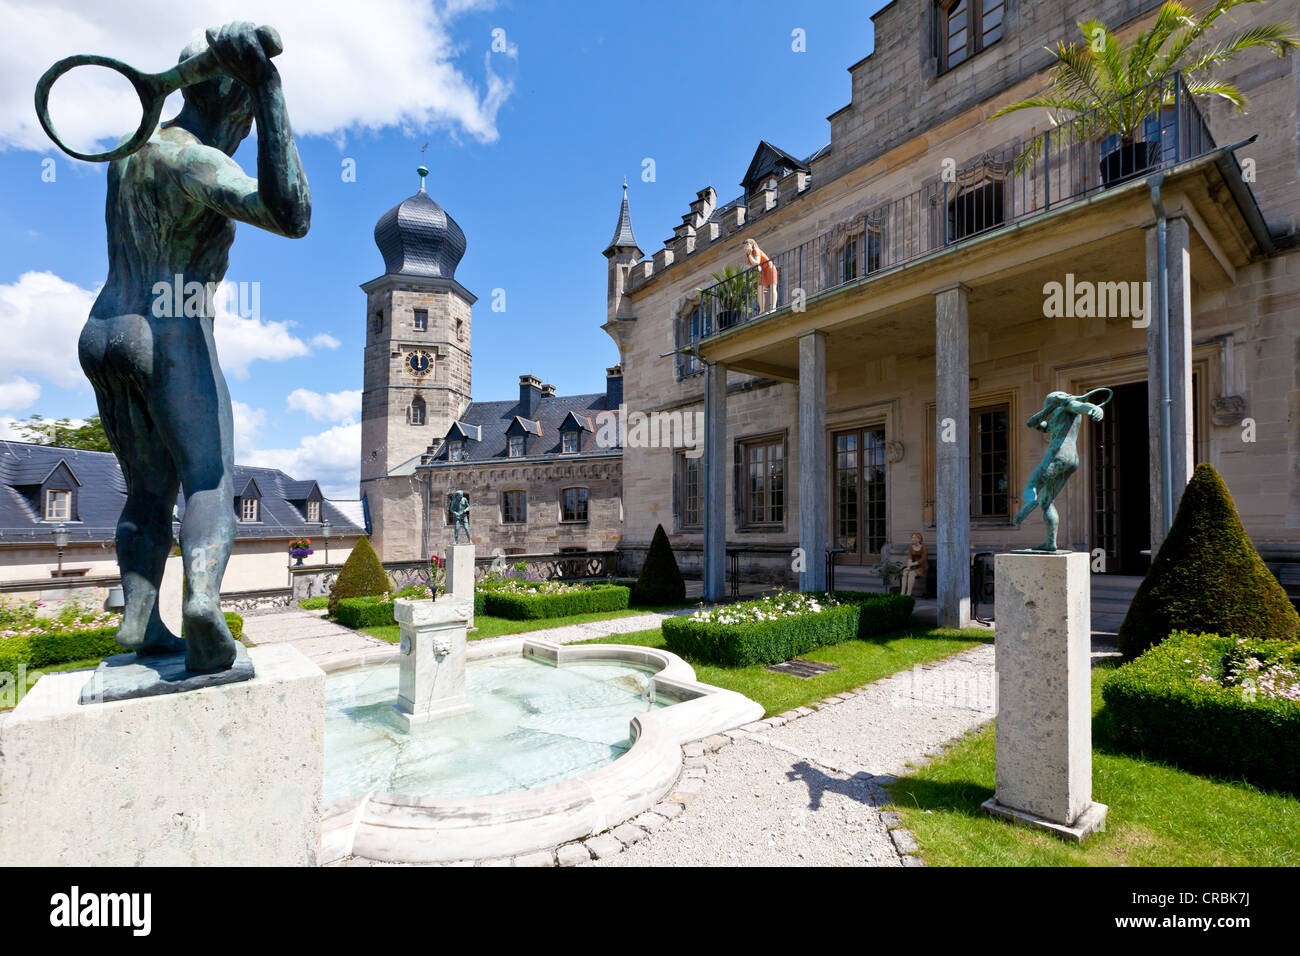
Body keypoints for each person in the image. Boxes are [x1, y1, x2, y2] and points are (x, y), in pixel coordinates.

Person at [77, 22, 311, 672]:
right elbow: (291, 214)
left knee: (145, 491)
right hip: (170, 325)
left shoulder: (132, 151)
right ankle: (202, 602)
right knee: (208, 479)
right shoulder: (196, 158)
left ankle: (138, 622)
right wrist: (268, 88)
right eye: (241, 111)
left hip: (103, 329)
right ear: (229, 104)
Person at [744, 238, 778, 313]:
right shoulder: (749, 256)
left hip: (770, 268)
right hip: (763, 271)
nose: (746, 247)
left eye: (747, 245)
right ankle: (761, 310)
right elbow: (752, 267)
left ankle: (773, 308)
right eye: (744, 246)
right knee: (760, 289)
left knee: (772, 287)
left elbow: (756, 262)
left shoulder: (756, 250)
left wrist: (750, 255)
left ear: (752, 244)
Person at [900, 532, 928, 597]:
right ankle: (902, 593)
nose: (912, 539)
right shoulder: (911, 546)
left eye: (914, 537)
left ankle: (908, 594)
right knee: (905, 572)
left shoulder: (923, 547)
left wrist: (912, 564)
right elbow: (909, 557)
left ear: (919, 539)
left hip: (922, 567)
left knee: (911, 574)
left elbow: (923, 559)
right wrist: (908, 567)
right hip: (913, 566)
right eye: (912, 537)